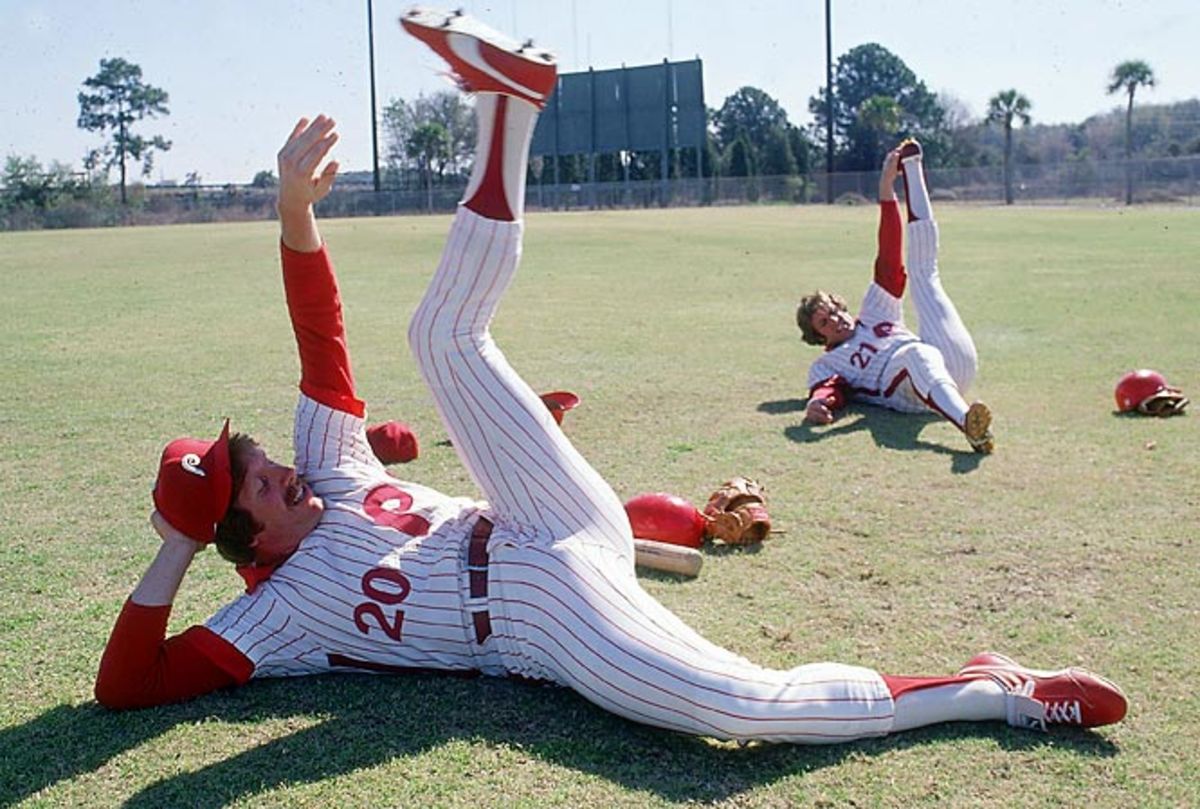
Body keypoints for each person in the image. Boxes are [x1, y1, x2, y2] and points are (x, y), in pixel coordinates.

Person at [96, 7, 1126, 743]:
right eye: (256, 484)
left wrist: (294, 214)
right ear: (238, 536)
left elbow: (321, 334)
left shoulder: (324, 466)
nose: (279, 468)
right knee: (740, 710)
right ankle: (997, 689)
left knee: (440, 337)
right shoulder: (265, 618)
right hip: (544, 619)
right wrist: (175, 552)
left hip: (539, 510)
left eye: (260, 457)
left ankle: (507, 110)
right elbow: (125, 685)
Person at [796, 144, 995, 453]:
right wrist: (816, 405)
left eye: (834, 309)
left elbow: (889, 258)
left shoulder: (874, 312)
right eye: (824, 320)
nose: (834, 318)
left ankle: (913, 167)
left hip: (949, 368)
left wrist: (887, 190)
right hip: (906, 392)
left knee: (925, 274)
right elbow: (827, 390)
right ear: (816, 335)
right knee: (917, 354)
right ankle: (967, 423)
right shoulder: (826, 362)